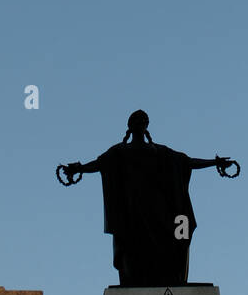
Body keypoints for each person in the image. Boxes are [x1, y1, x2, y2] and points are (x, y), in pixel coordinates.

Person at [59, 111, 234, 285]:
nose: (140, 124)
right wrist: (79, 168)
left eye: (143, 121)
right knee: (133, 246)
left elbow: (186, 162)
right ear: (130, 125)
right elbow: (99, 164)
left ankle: (166, 277)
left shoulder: (160, 151)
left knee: (165, 242)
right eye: (137, 121)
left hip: (157, 206)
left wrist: (214, 162)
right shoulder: (119, 151)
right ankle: (135, 278)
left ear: (147, 125)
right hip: (131, 208)